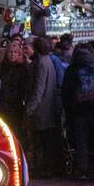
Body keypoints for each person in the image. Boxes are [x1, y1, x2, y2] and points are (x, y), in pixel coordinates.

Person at [62, 45, 94, 178]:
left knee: (81, 141)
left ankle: (82, 168)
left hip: (78, 111)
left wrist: (68, 109)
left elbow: (66, 92)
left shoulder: (71, 70)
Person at [26, 37, 59, 176]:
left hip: (42, 109)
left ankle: (44, 168)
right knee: (48, 141)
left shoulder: (40, 63)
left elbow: (39, 88)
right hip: (50, 105)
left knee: (41, 141)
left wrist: (31, 107)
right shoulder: (49, 61)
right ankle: (49, 167)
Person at [0, 36, 28, 142]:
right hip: (2, 104)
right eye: (10, 52)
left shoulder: (23, 69)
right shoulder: (1, 67)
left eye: (15, 52)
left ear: (19, 54)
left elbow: (24, 88)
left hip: (15, 106)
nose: (12, 54)